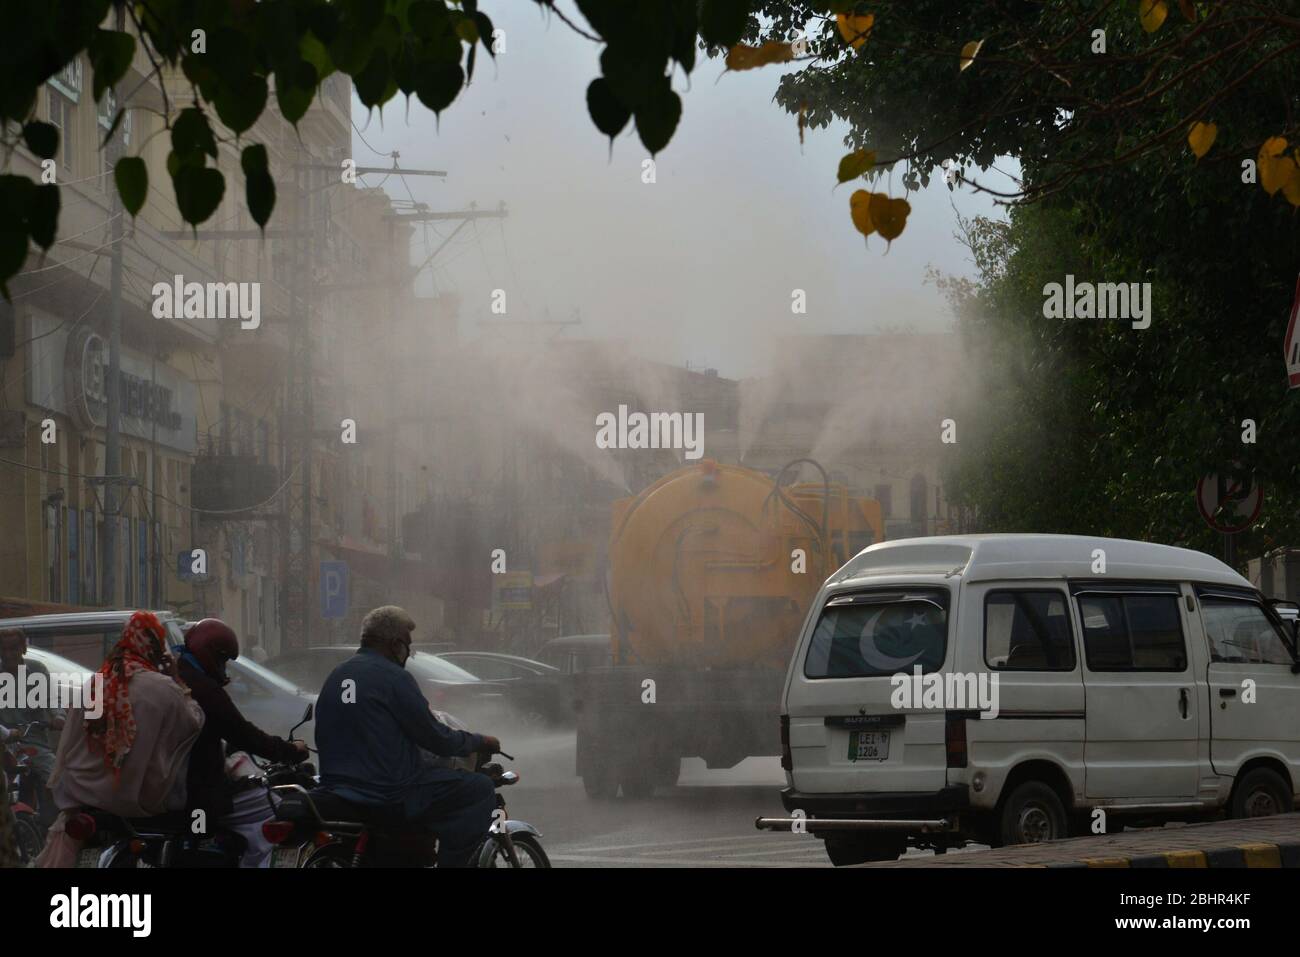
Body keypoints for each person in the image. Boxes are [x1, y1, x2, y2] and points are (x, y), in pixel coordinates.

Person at [315, 605, 500, 867]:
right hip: (386, 791)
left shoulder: (338, 675)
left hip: (336, 786)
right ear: (395, 644)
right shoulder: (394, 678)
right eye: (407, 644)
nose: (408, 652)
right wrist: (477, 741)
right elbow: (435, 738)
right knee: (478, 788)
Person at [36, 611, 204, 868]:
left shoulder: (97, 682)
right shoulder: (164, 688)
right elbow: (194, 723)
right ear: (157, 647)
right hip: (137, 801)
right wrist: (178, 679)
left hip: (82, 794)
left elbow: (70, 738)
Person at [173, 619, 307, 867]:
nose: (223, 668)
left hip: (170, 787)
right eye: (222, 660)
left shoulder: (174, 674)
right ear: (210, 653)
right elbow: (242, 733)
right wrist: (289, 751)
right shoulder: (203, 688)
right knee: (274, 809)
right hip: (198, 791)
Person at [0, 627, 66, 822]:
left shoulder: (37, 669)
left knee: (56, 780)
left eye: (13, 648)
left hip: (35, 742)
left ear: (23, 648)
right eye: (3, 650)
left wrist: (58, 717)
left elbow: (52, 700)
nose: (8, 654)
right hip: (5, 744)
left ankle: (51, 827)